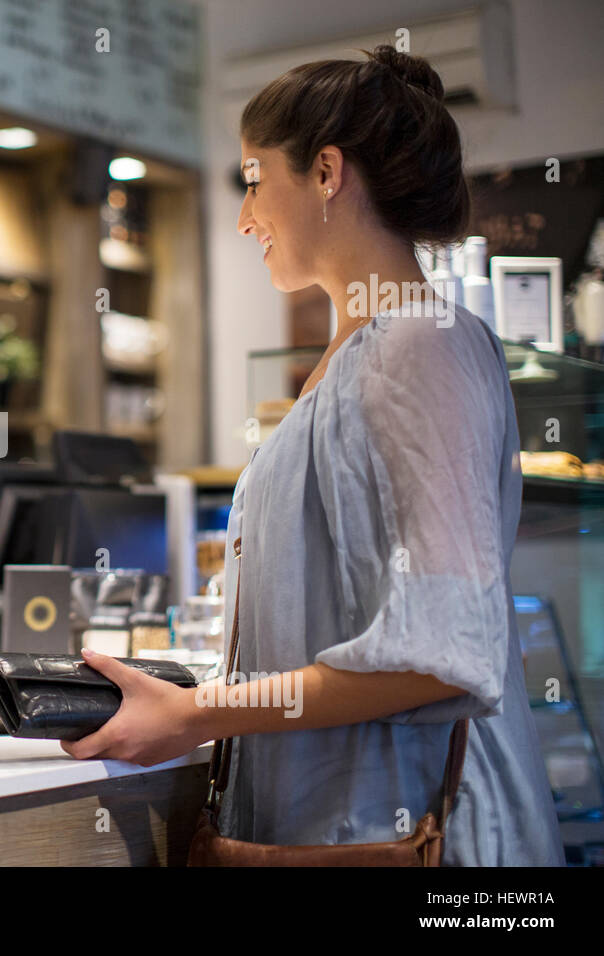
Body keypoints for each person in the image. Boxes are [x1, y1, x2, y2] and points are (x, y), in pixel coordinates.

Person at [61, 46, 563, 865]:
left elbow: (440, 657)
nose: (244, 215)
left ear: (327, 172)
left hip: (417, 837)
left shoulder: (418, 347)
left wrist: (201, 715)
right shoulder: (362, 351)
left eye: (254, 179)